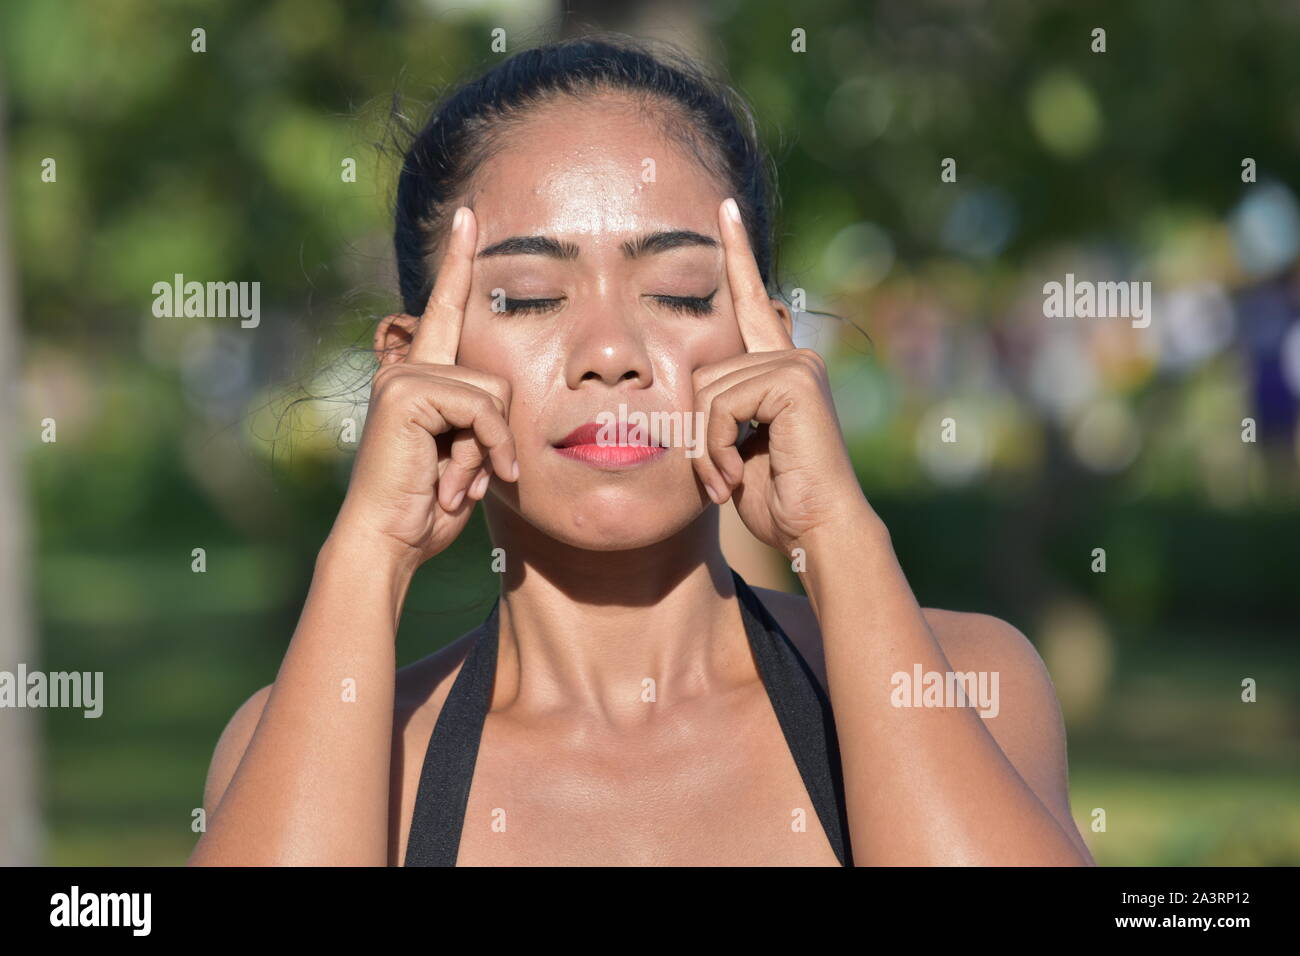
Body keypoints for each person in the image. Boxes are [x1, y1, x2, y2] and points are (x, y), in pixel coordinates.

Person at [188, 35, 1096, 866]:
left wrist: (837, 535)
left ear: (763, 345)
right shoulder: (328, 743)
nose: (611, 354)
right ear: (413, 362)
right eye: (531, 297)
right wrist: (366, 554)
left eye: (679, 290)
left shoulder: (970, 683)